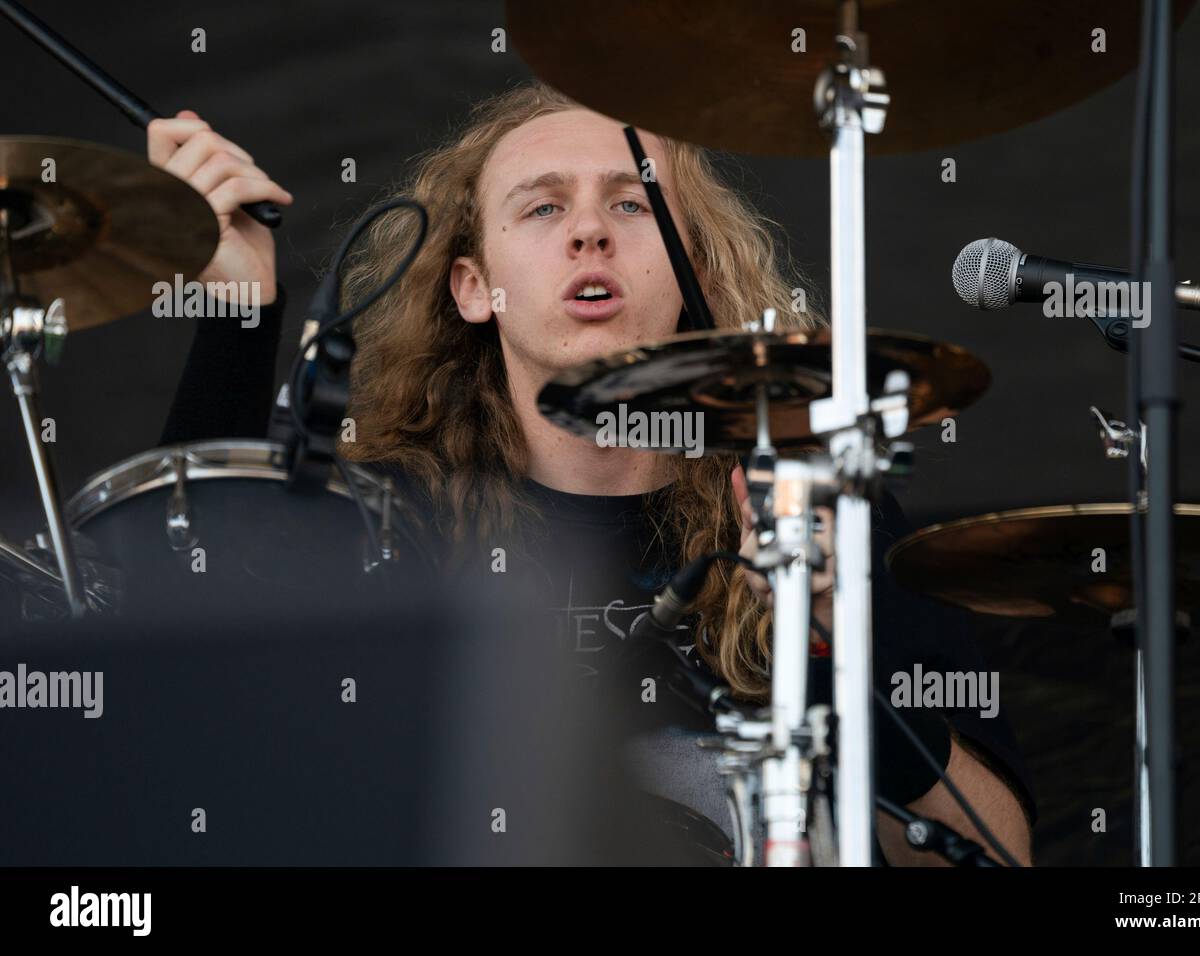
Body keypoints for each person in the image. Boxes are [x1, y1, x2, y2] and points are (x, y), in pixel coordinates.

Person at [147, 82, 1035, 865]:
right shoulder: (385, 509)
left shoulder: (810, 496)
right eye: (541, 209)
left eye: (632, 205)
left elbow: (992, 856)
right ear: (470, 287)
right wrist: (230, 311)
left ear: (691, 271)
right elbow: (181, 682)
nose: (588, 232)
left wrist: (839, 665)